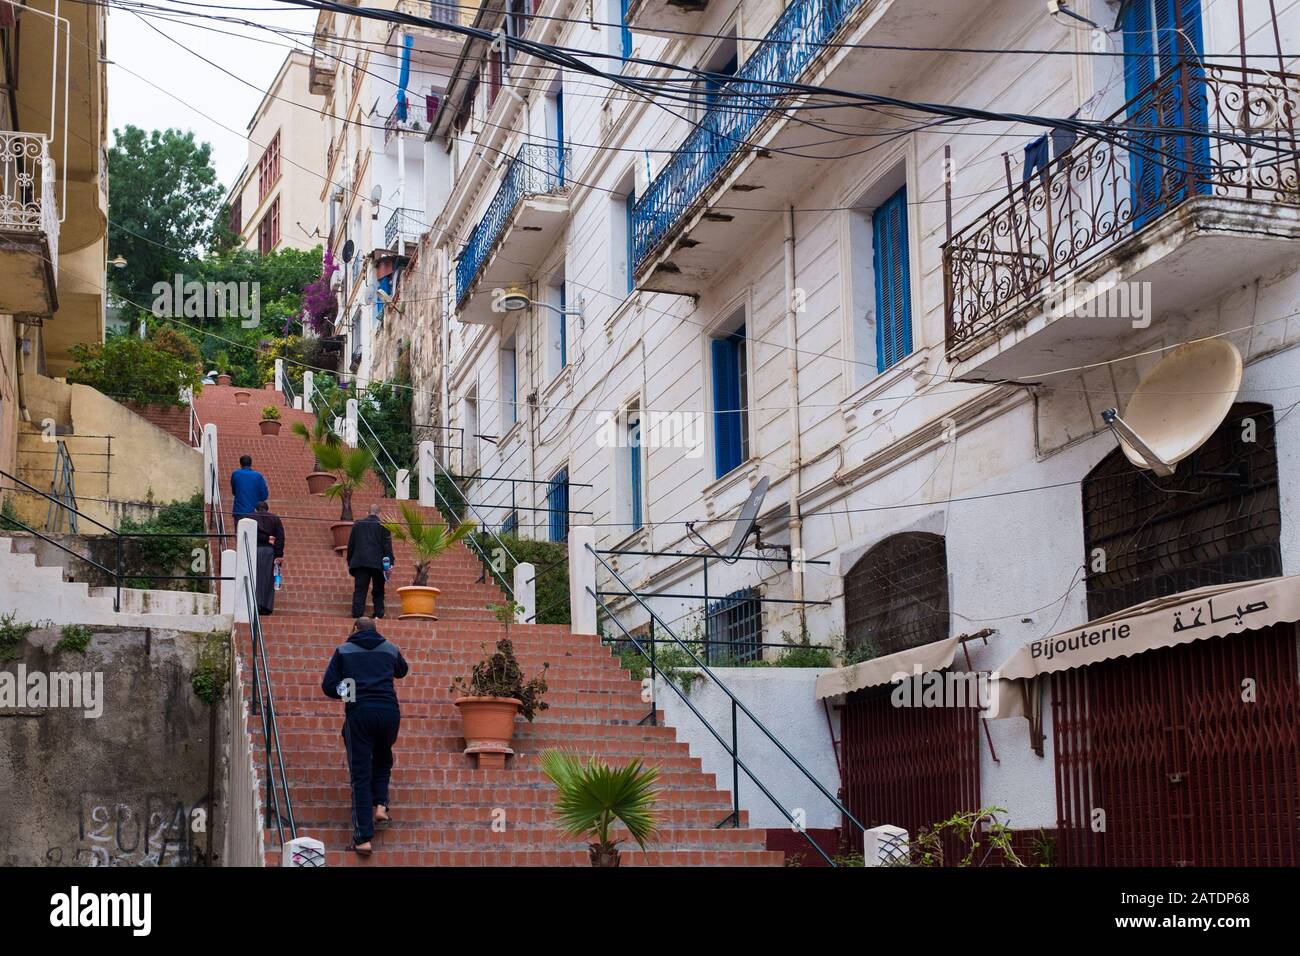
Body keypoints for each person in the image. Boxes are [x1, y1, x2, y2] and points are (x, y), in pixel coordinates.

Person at [321, 616, 408, 856]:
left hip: (360, 713)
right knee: (383, 759)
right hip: (390, 713)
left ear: (354, 629)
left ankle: (363, 839)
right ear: (376, 630)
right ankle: (381, 805)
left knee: (360, 773)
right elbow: (402, 671)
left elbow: (328, 686)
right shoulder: (390, 648)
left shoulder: (343, 650)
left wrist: (348, 690)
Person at [347, 503, 393, 619]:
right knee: (378, 589)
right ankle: (379, 613)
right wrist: (390, 563)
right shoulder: (384, 526)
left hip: (360, 562)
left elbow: (351, 545)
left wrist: (350, 561)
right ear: (379, 514)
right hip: (378, 563)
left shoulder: (357, 525)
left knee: (360, 589)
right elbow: (387, 547)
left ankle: (357, 614)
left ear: (367, 513)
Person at [252, 500, 286, 615]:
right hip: (270, 552)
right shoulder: (275, 519)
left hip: (255, 550)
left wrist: (264, 538)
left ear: (256, 509)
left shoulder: (251, 517)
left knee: (255, 577)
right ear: (267, 509)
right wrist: (279, 555)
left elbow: (251, 533)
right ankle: (266, 606)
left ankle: (255, 604)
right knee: (268, 579)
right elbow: (281, 537)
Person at [230, 454, 268, 522]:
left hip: (239, 511)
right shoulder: (258, 476)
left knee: (239, 531)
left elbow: (234, 492)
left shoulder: (235, 474)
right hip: (255, 513)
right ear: (251, 463)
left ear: (240, 464)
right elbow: (264, 496)